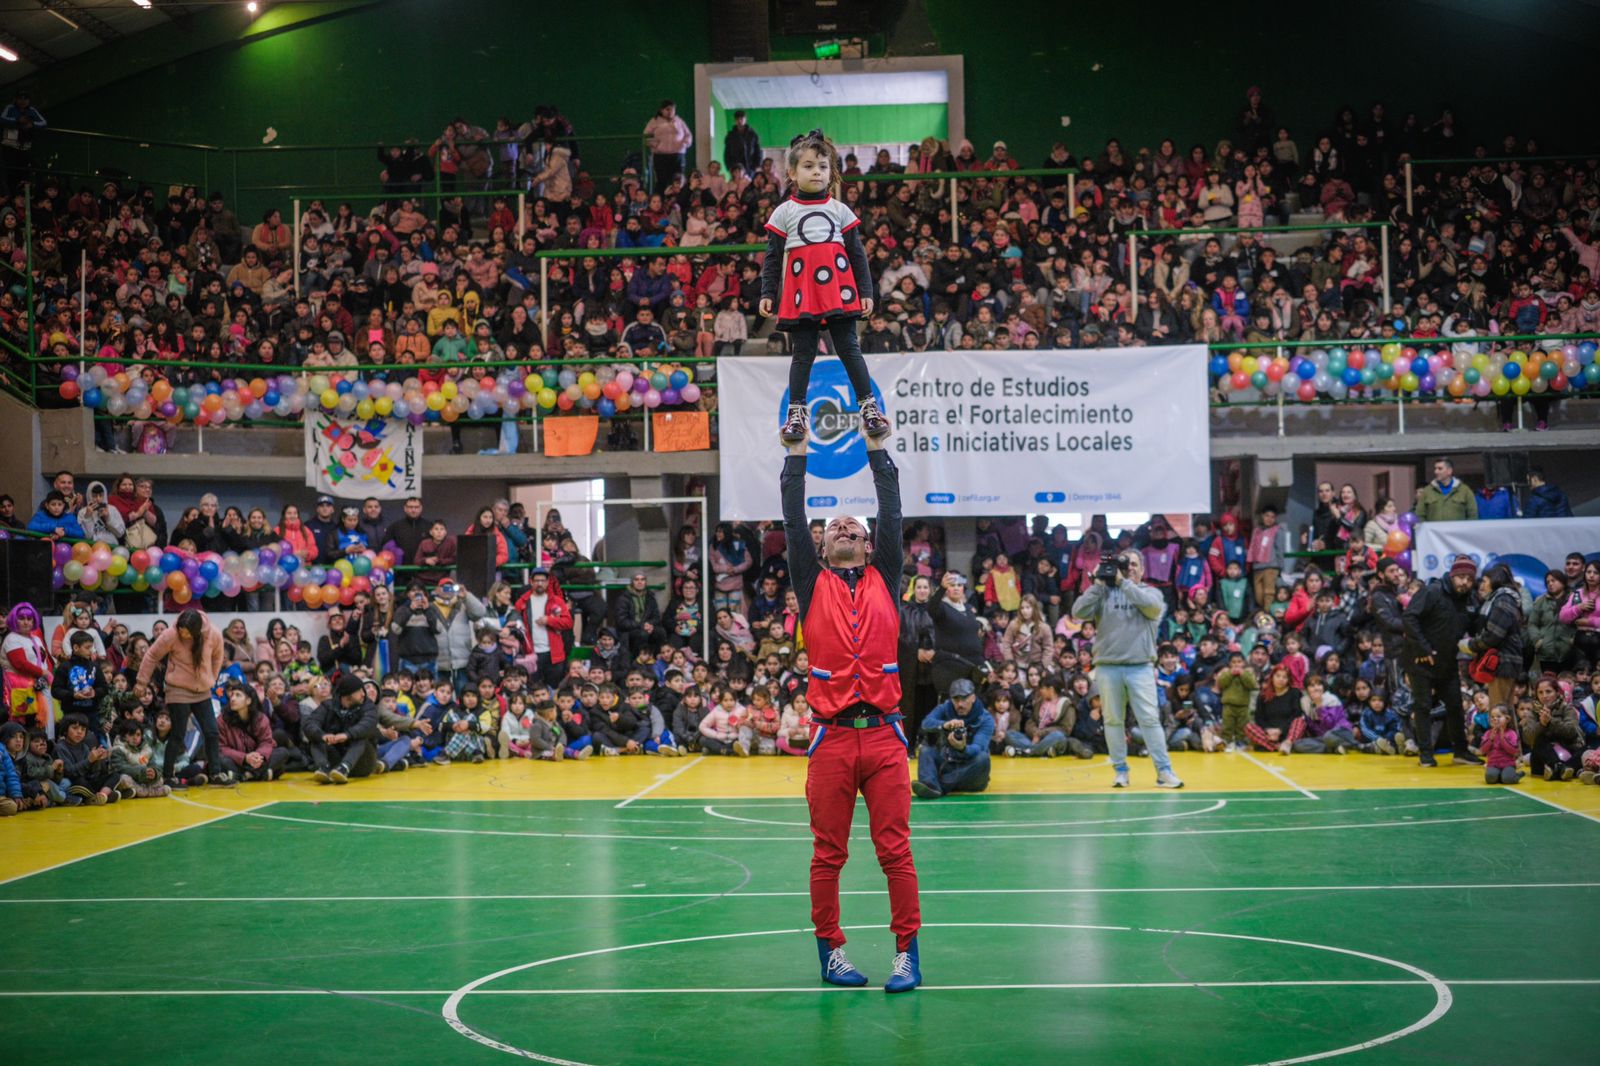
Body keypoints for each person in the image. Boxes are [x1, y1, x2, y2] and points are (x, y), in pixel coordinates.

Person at [781, 422, 920, 993]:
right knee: (827, 853)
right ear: (820, 545)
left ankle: (907, 954)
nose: (842, 525)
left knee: (896, 851)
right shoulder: (811, 584)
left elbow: (890, 505)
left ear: (868, 543)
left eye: (854, 526)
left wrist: (877, 449)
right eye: (833, 525)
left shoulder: (887, 578)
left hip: (885, 738)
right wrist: (795, 454)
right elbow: (793, 513)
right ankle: (831, 952)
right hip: (832, 740)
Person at [759, 129, 889, 445]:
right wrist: (767, 292)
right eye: (807, 166)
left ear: (830, 172)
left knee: (849, 349)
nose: (816, 171)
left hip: (839, 293)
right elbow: (773, 257)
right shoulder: (784, 212)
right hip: (802, 295)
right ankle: (797, 415)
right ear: (791, 173)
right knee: (802, 355)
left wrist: (866, 291)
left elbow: (858, 255)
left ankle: (869, 409)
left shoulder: (840, 210)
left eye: (822, 166)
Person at [1071, 550, 1184, 789]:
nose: (1129, 567)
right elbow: (1078, 612)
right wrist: (1099, 584)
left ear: (1142, 569)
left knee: (1150, 721)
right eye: (1125, 564)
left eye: (1134, 564)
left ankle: (1164, 771)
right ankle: (1120, 771)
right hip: (1108, 667)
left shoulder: (1151, 593)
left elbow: (1151, 609)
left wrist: (1122, 583)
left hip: (1140, 666)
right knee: (1113, 721)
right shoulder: (1104, 592)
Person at [135, 610, 233, 786]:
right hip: (178, 689)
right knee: (178, 734)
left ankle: (216, 774)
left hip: (202, 689)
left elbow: (218, 656)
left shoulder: (213, 634)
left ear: (196, 630)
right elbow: (151, 655)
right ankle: (168, 776)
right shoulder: (171, 634)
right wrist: (141, 682)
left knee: (211, 732)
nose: (183, 634)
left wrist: (212, 678)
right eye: (181, 629)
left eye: (187, 631)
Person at [1401, 555, 1482, 767]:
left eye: (1469, 578)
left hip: (1447, 661)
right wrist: (1423, 647)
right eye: (1461, 577)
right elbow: (1409, 617)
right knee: (1423, 706)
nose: (1465, 582)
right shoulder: (1432, 591)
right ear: (1452, 575)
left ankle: (1461, 752)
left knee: (1456, 705)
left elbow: (1474, 627)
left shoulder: (1469, 599)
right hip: (1421, 659)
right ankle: (1426, 754)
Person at [915, 678, 995, 796]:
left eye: (964, 699)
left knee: (983, 759)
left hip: (970, 770)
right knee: (926, 750)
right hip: (948, 762)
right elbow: (926, 723)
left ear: (973, 698)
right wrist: (943, 725)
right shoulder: (944, 708)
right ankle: (935, 785)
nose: (960, 704)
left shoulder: (986, 719)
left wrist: (963, 748)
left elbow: (979, 747)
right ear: (951, 699)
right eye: (956, 699)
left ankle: (935, 786)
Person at [304, 675, 380, 783]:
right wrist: (323, 735)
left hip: (362, 762)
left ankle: (344, 768)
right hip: (336, 758)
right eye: (359, 691)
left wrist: (347, 735)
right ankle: (323, 768)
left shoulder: (368, 706)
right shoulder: (328, 705)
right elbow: (309, 724)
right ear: (347, 695)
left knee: (361, 736)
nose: (363, 694)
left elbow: (368, 724)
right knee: (315, 737)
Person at [1414, 457, 1477, 524]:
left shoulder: (1465, 491)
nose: (1436, 471)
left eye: (1440, 469)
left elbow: (1473, 515)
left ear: (1449, 471)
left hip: (1457, 534)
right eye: (1435, 468)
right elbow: (1419, 515)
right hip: (1434, 534)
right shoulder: (1427, 492)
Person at [1479, 704, 1523, 785]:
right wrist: (1490, 739)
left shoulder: (1511, 733)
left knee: (1508, 779)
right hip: (1493, 764)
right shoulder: (1488, 733)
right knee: (1490, 779)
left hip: (1508, 764)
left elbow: (1514, 751)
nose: (1495, 719)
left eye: (1498, 716)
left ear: (1507, 719)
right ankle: (1500, 776)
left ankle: (1516, 775)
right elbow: (1483, 750)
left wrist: (1502, 738)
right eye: (1492, 717)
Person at [723, 109, 762, 179]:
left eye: (741, 119)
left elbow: (758, 150)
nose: (739, 121)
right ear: (735, 120)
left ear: (745, 119)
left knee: (749, 185)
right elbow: (727, 152)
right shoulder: (730, 135)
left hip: (750, 166)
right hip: (735, 165)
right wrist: (729, 166)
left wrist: (757, 165)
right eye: (737, 119)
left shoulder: (753, 135)